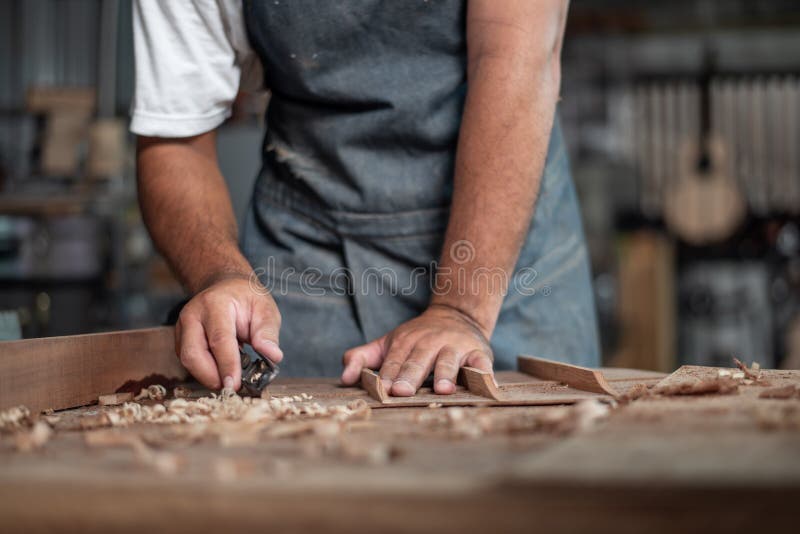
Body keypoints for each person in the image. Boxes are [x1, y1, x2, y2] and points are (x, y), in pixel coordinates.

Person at [132, 0, 599, 397]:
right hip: (307, 244)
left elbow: (514, 56)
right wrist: (220, 275)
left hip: (501, 247)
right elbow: (176, 138)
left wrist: (461, 310)